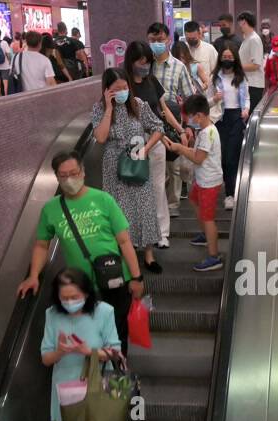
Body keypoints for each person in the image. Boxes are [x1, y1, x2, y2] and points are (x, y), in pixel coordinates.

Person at [18, 151, 145, 353]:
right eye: (63, 175)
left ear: (83, 172)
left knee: (118, 334)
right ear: (57, 178)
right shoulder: (51, 209)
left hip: (115, 279)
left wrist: (137, 277)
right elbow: (42, 245)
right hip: (81, 287)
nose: (69, 179)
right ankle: (93, 379)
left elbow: (124, 241)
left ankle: (117, 378)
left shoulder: (104, 199)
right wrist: (33, 276)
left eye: (74, 173)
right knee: (89, 335)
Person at [40, 267, 122, 421]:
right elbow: (45, 357)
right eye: (64, 298)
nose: (69, 303)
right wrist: (61, 351)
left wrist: (89, 352)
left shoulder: (104, 312)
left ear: (86, 293)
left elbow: (115, 352)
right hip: (65, 391)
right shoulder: (52, 315)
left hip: (97, 389)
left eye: (74, 297)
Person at [93, 68, 165, 274]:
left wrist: (146, 148)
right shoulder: (99, 109)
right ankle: (126, 253)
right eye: (117, 89)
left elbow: (158, 127)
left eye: (125, 87)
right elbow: (100, 137)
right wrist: (108, 108)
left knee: (145, 205)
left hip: (137, 161)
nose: (123, 92)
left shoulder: (139, 105)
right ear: (107, 91)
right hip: (113, 166)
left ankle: (149, 255)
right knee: (119, 210)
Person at [125, 41, 185, 251]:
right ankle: (138, 233)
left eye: (148, 62)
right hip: (133, 143)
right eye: (141, 62)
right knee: (136, 189)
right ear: (131, 61)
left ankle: (162, 233)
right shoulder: (124, 84)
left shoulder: (152, 81)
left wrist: (180, 130)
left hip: (156, 139)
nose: (145, 66)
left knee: (158, 188)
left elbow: (163, 110)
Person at [163, 94, 224, 273]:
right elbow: (199, 153)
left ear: (199, 116)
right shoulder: (207, 130)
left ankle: (214, 256)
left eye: (189, 117)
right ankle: (205, 234)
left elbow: (198, 158)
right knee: (193, 200)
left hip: (209, 182)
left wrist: (180, 148)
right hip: (203, 180)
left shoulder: (207, 133)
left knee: (208, 218)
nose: (188, 121)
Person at [148, 22, 196, 222]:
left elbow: (189, 97)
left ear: (168, 40)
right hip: (150, 119)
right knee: (155, 165)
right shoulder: (145, 65)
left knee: (175, 166)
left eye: (160, 40)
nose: (156, 44)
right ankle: (158, 203)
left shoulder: (178, 67)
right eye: (152, 40)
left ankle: (173, 203)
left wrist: (189, 125)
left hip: (173, 118)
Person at [211, 44, 250, 211]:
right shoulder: (215, 78)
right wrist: (214, 98)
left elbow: (246, 97)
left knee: (232, 157)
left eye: (230, 57)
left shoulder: (241, 77)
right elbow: (207, 102)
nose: (227, 60)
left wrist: (246, 109)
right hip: (220, 118)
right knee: (222, 158)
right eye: (224, 57)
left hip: (236, 118)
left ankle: (231, 194)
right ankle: (226, 191)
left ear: (235, 59)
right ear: (220, 58)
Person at [237, 11, 266, 113]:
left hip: (253, 84)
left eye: (239, 23)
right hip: (247, 82)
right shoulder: (247, 39)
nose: (239, 26)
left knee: (250, 114)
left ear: (244, 22)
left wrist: (237, 66)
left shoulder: (254, 39)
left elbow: (256, 65)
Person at [184, 21, 218, 87]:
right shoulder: (183, 49)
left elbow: (215, 70)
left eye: (193, 38)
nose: (191, 40)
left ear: (199, 34)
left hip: (206, 90)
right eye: (188, 38)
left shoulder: (209, 49)